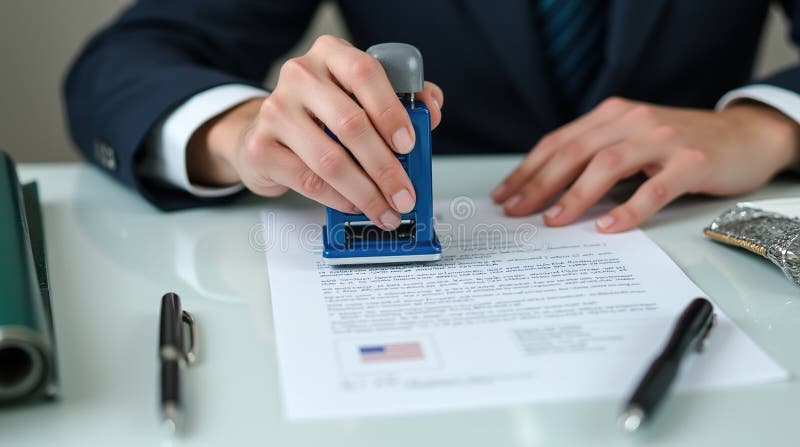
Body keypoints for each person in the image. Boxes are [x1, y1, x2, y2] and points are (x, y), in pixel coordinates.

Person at [64, 0, 800, 233]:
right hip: (419, 231)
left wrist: (769, 125)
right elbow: (124, 61)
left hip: (692, 231)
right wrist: (240, 130)